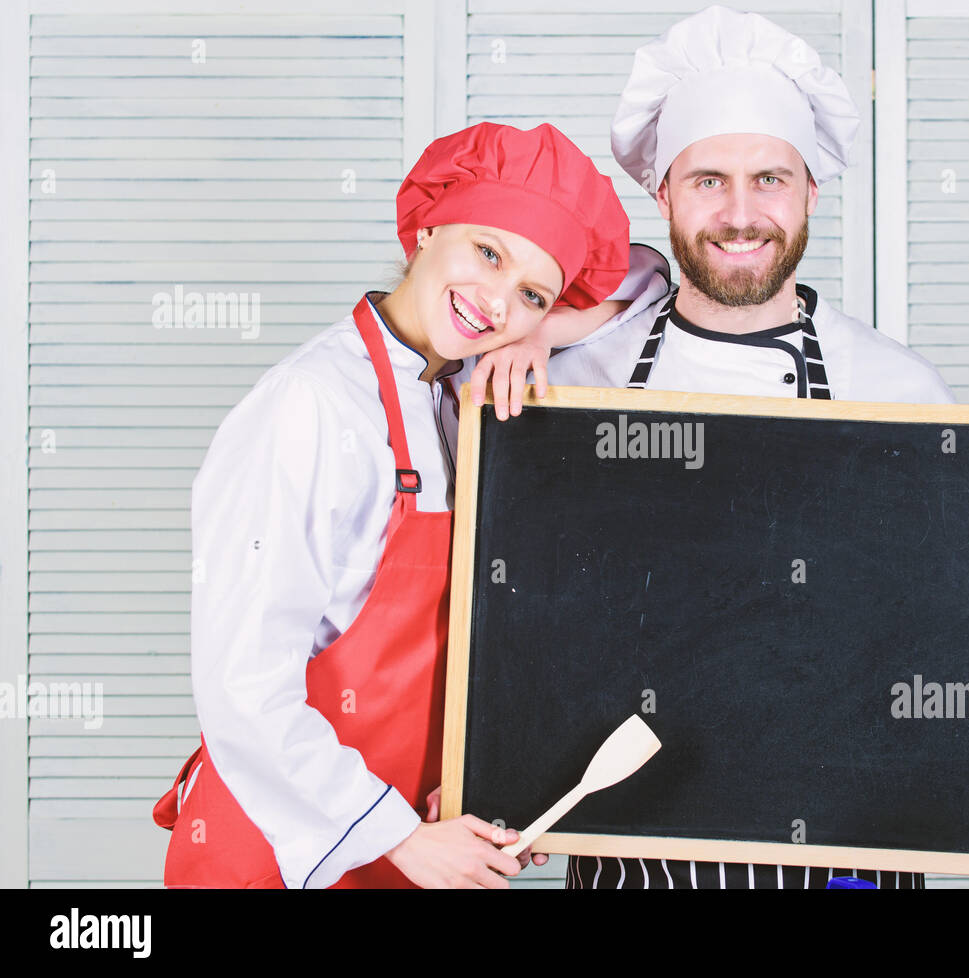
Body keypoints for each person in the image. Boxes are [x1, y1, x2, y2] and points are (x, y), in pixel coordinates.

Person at [538, 5, 969, 889]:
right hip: (635, 851)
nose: (740, 212)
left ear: (810, 192)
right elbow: (508, 609)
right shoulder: (568, 389)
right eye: (709, 180)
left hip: (851, 850)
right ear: (663, 194)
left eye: (769, 178)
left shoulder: (899, 391)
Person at [152, 121, 637, 888]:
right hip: (283, 851)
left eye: (530, 293)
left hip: (416, 837)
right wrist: (399, 836)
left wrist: (479, 783)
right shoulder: (310, 405)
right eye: (488, 252)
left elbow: (650, 285)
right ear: (429, 225)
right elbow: (241, 684)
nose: (495, 301)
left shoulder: (461, 401)